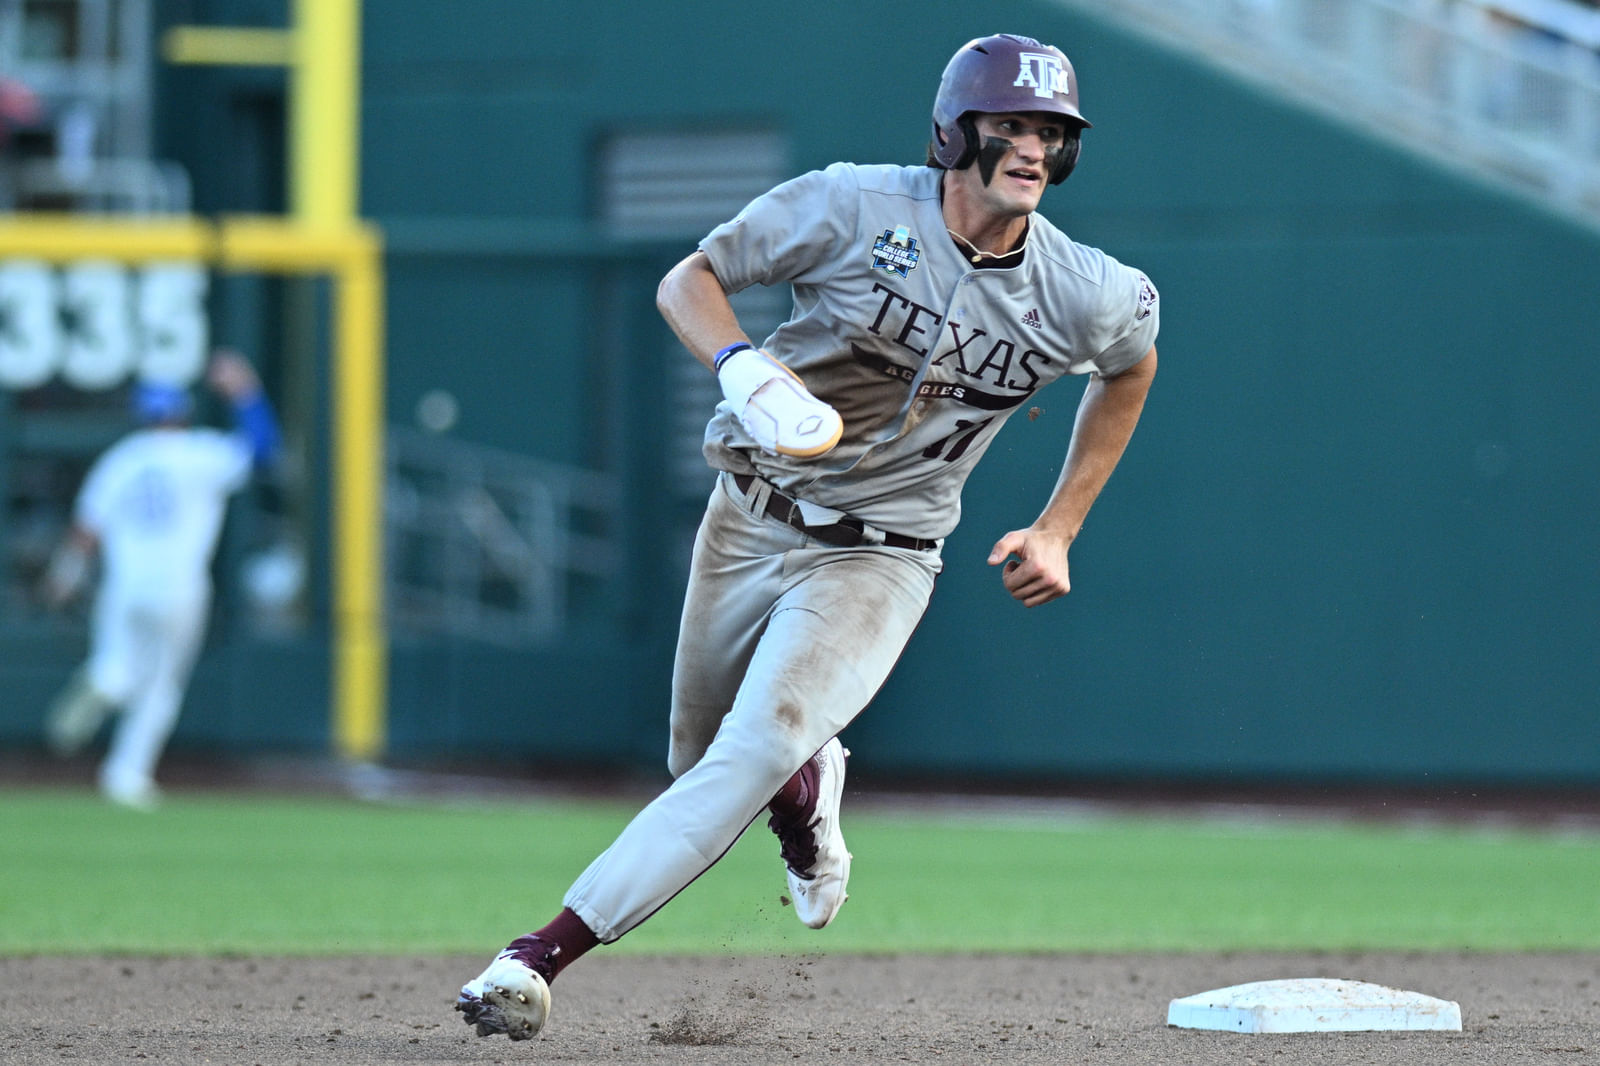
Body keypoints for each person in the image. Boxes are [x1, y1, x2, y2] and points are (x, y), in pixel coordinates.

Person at [456, 32, 1159, 1040]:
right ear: (954, 132)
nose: (1031, 148)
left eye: (1051, 131)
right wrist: (744, 367)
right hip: (748, 513)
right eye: (1009, 124)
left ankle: (533, 956)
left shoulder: (1081, 289)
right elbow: (688, 279)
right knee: (697, 761)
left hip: (882, 550)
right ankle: (809, 790)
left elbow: (1131, 364)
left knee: (751, 747)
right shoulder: (849, 205)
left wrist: (1060, 524)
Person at [40, 350, 283, 810]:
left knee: (119, 661)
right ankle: (126, 774)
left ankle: (107, 680)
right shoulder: (200, 453)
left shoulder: (120, 460)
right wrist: (244, 391)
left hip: (124, 585)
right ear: (182, 413)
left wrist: (64, 576)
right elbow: (264, 449)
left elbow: (86, 532)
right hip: (179, 586)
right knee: (161, 685)